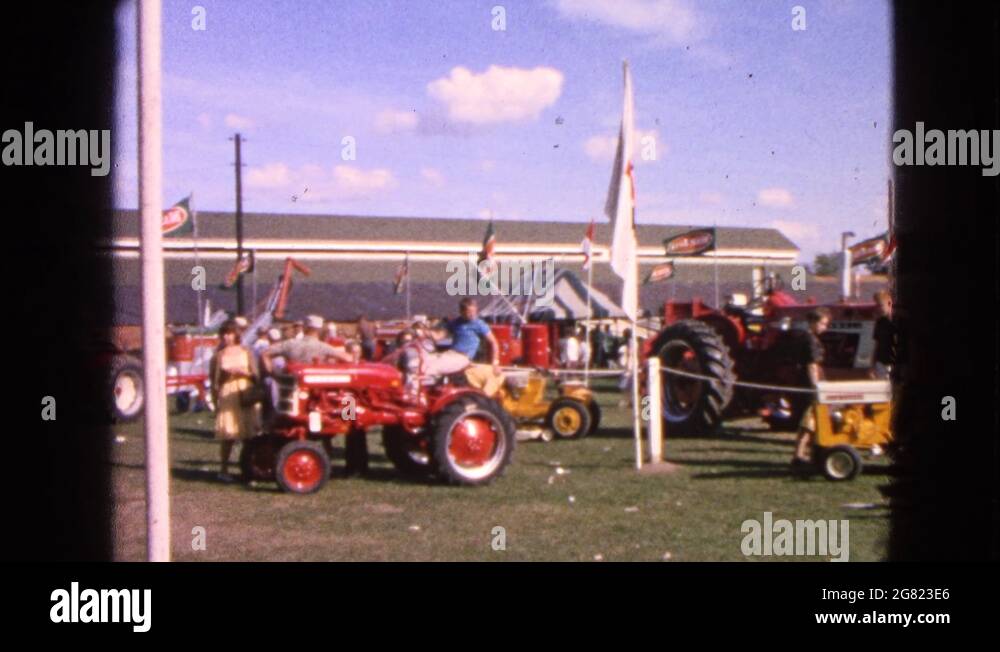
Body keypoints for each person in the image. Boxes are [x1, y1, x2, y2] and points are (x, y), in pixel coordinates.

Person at [209, 320, 260, 481]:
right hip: (228, 394)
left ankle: (250, 469)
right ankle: (223, 469)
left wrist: (244, 372)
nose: (227, 337)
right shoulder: (218, 356)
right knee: (228, 434)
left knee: (249, 434)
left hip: (245, 392)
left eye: (230, 333)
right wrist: (225, 376)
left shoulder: (247, 352)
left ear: (236, 335)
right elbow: (214, 382)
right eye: (224, 333)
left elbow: (256, 375)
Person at [424, 298, 504, 397]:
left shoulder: (479, 324)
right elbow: (438, 336)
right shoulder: (456, 323)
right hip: (450, 353)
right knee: (423, 362)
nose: (472, 315)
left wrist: (495, 363)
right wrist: (424, 332)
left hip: (463, 357)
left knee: (432, 369)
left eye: (474, 312)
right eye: (469, 312)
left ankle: (426, 395)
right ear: (461, 312)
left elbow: (494, 343)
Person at [791, 308, 831, 466]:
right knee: (809, 421)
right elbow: (811, 365)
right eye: (823, 324)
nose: (824, 327)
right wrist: (816, 386)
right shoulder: (810, 340)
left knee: (812, 420)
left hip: (805, 380)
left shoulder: (805, 337)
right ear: (814, 322)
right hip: (809, 383)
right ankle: (799, 455)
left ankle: (811, 453)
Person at [260, 315, 353, 372]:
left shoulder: (289, 344)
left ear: (305, 327)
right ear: (319, 329)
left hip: (292, 386)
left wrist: (271, 373)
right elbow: (348, 358)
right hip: (314, 389)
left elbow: (265, 354)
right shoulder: (323, 347)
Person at [872, 290, 895, 380]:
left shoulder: (898, 322)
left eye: (880, 305)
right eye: (876, 306)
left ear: (889, 303)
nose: (878, 308)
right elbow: (876, 344)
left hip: (895, 363)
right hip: (881, 362)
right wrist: (872, 365)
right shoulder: (880, 322)